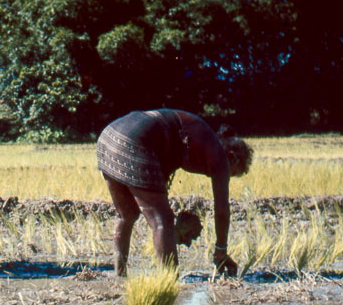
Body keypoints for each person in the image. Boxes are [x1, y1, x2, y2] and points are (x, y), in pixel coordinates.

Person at [96, 109, 253, 277]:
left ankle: (120, 277)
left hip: (108, 137)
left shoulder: (195, 141)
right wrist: (221, 250)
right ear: (232, 157)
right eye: (232, 173)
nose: (226, 176)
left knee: (126, 215)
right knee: (162, 220)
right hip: (133, 140)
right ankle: (171, 283)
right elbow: (221, 211)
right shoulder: (220, 155)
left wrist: (175, 234)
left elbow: (156, 181)